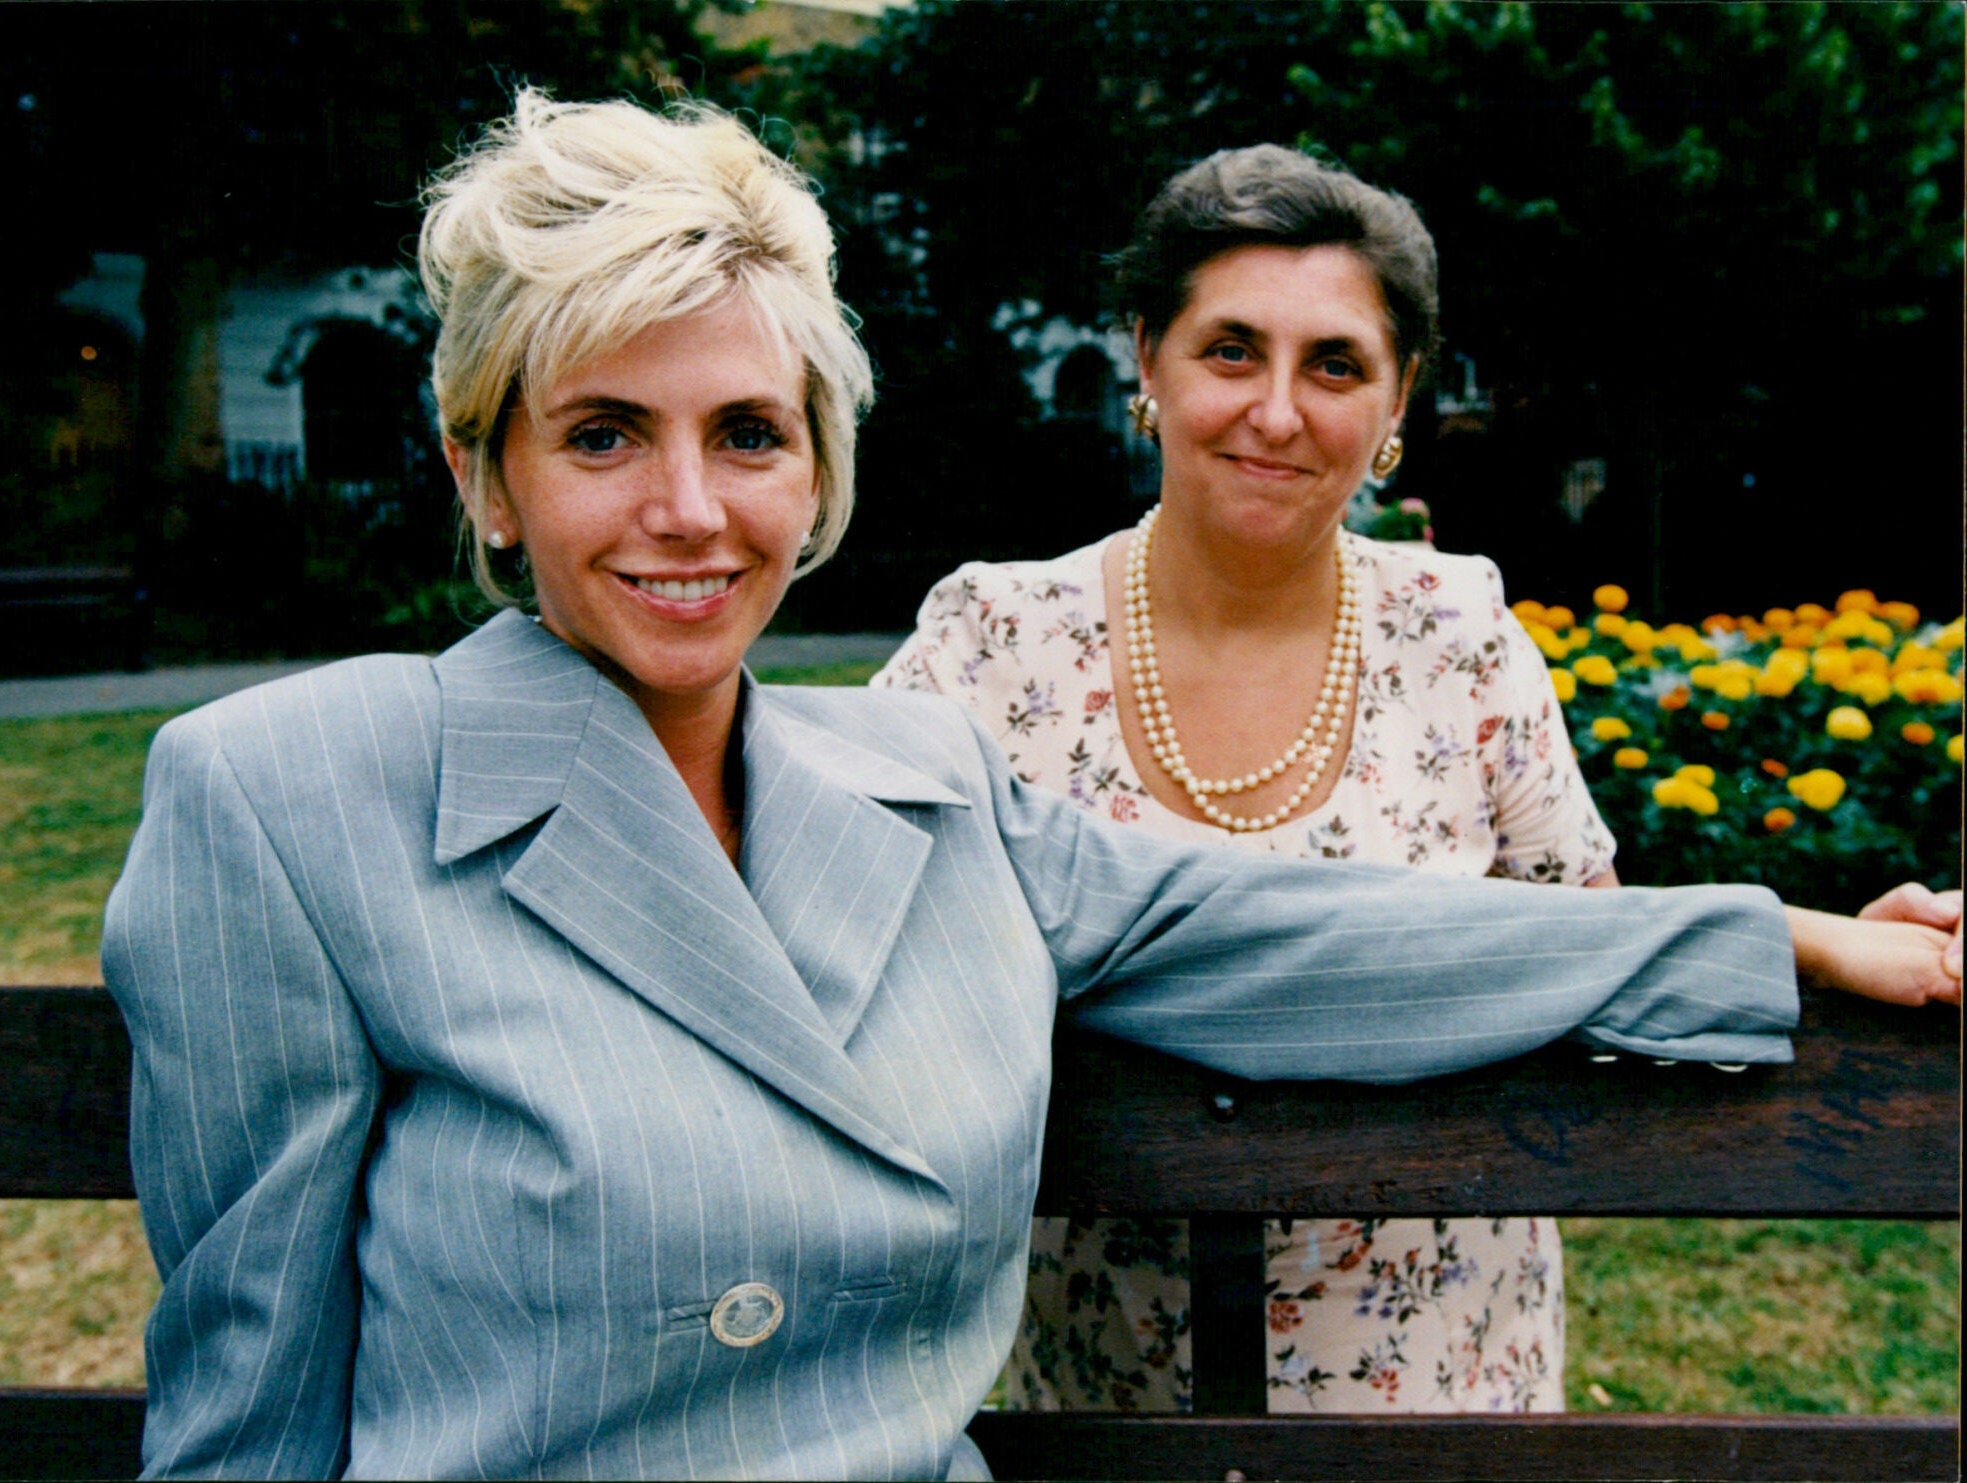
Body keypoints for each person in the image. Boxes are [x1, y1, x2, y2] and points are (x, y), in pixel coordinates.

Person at [102, 95, 1959, 1481]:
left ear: (817, 467)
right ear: (488, 472)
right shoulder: (284, 797)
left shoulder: (921, 785)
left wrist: (1787, 939)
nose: (689, 508)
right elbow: (247, 1416)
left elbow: (1321, 929)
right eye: (603, 433)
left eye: (749, 432)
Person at [875, 143, 1964, 1416]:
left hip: (1446, 1377)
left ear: (1395, 407)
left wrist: (1810, 952)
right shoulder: (994, 644)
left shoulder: (1461, 636)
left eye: (1334, 364)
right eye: (1229, 348)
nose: (1275, 411)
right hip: (1113, 1389)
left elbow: (1578, 946)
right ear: (1145, 363)